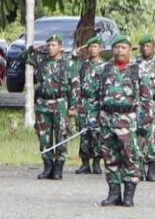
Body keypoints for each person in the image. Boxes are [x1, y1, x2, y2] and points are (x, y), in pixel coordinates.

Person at [96, 34, 142, 207]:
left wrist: (145, 122)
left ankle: (129, 195)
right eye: (117, 47)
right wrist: (92, 118)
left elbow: (146, 99)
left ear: (129, 50)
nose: (120, 51)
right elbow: (95, 96)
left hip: (128, 121)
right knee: (109, 157)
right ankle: (114, 193)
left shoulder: (137, 70)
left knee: (130, 156)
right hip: (107, 119)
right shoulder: (104, 69)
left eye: (123, 48)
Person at [26, 34, 73, 180]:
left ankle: (58, 167)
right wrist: (34, 48)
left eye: (54, 45)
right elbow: (24, 57)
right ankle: (47, 166)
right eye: (49, 45)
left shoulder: (67, 63)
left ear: (60, 47)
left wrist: (73, 106)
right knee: (44, 137)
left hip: (60, 103)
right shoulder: (41, 61)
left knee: (61, 136)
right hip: (43, 104)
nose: (51, 48)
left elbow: (75, 86)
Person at [135, 34, 155, 181]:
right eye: (143, 46)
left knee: (154, 138)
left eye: (148, 46)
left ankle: (152, 169)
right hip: (139, 105)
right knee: (139, 137)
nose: (145, 49)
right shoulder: (135, 63)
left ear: (153, 47)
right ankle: (139, 168)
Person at [73, 37, 105, 175]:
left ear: (100, 48)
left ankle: (97, 163)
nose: (92, 50)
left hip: (97, 104)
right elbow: (76, 84)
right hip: (84, 104)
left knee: (97, 134)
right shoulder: (83, 66)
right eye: (90, 47)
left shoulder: (104, 67)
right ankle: (85, 163)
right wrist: (76, 104)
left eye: (95, 47)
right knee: (84, 134)